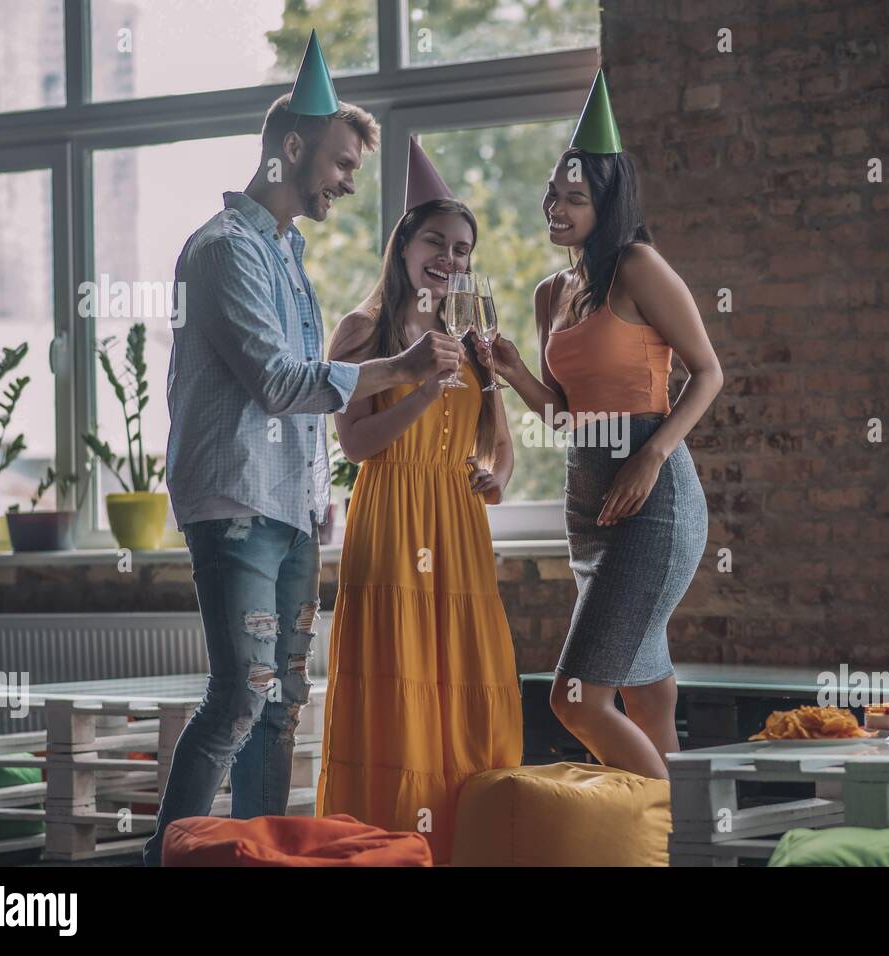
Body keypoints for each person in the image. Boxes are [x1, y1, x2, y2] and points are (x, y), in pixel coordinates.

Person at [143, 35, 460, 867]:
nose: (350, 181)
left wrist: (320, 495)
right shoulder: (224, 250)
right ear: (291, 149)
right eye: (343, 163)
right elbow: (280, 384)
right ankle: (164, 859)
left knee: (280, 703)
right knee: (239, 700)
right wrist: (401, 367)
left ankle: (261, 858)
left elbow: (306, 409)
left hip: (290, 510)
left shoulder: (289, 256)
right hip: (237, 505)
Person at [480, 70, 723, 779]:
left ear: (607, 203)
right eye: (553, 193)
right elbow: (564, 414)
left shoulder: (639, 267)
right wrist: (516, 370)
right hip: (587, 503)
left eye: (575, 198)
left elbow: (708, 370)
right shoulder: (550, 292)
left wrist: (652, 457)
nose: (556, 207)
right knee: (647, 694)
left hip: (654, 500)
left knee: (576, 698)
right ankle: (678, 847)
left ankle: (650, 824)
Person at [315, 138, 522, 863]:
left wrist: (497, 475)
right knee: (397, 689)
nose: (451, 257)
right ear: (404, 243)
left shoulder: (473, 337)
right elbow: (357, 445)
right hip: (391, 522)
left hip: (458, 528)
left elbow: (502, 443)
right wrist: (424, 390)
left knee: (465, 680)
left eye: (463, 247)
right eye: (437, 240)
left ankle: (469, 847)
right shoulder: (360, 331)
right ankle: (386, 845)